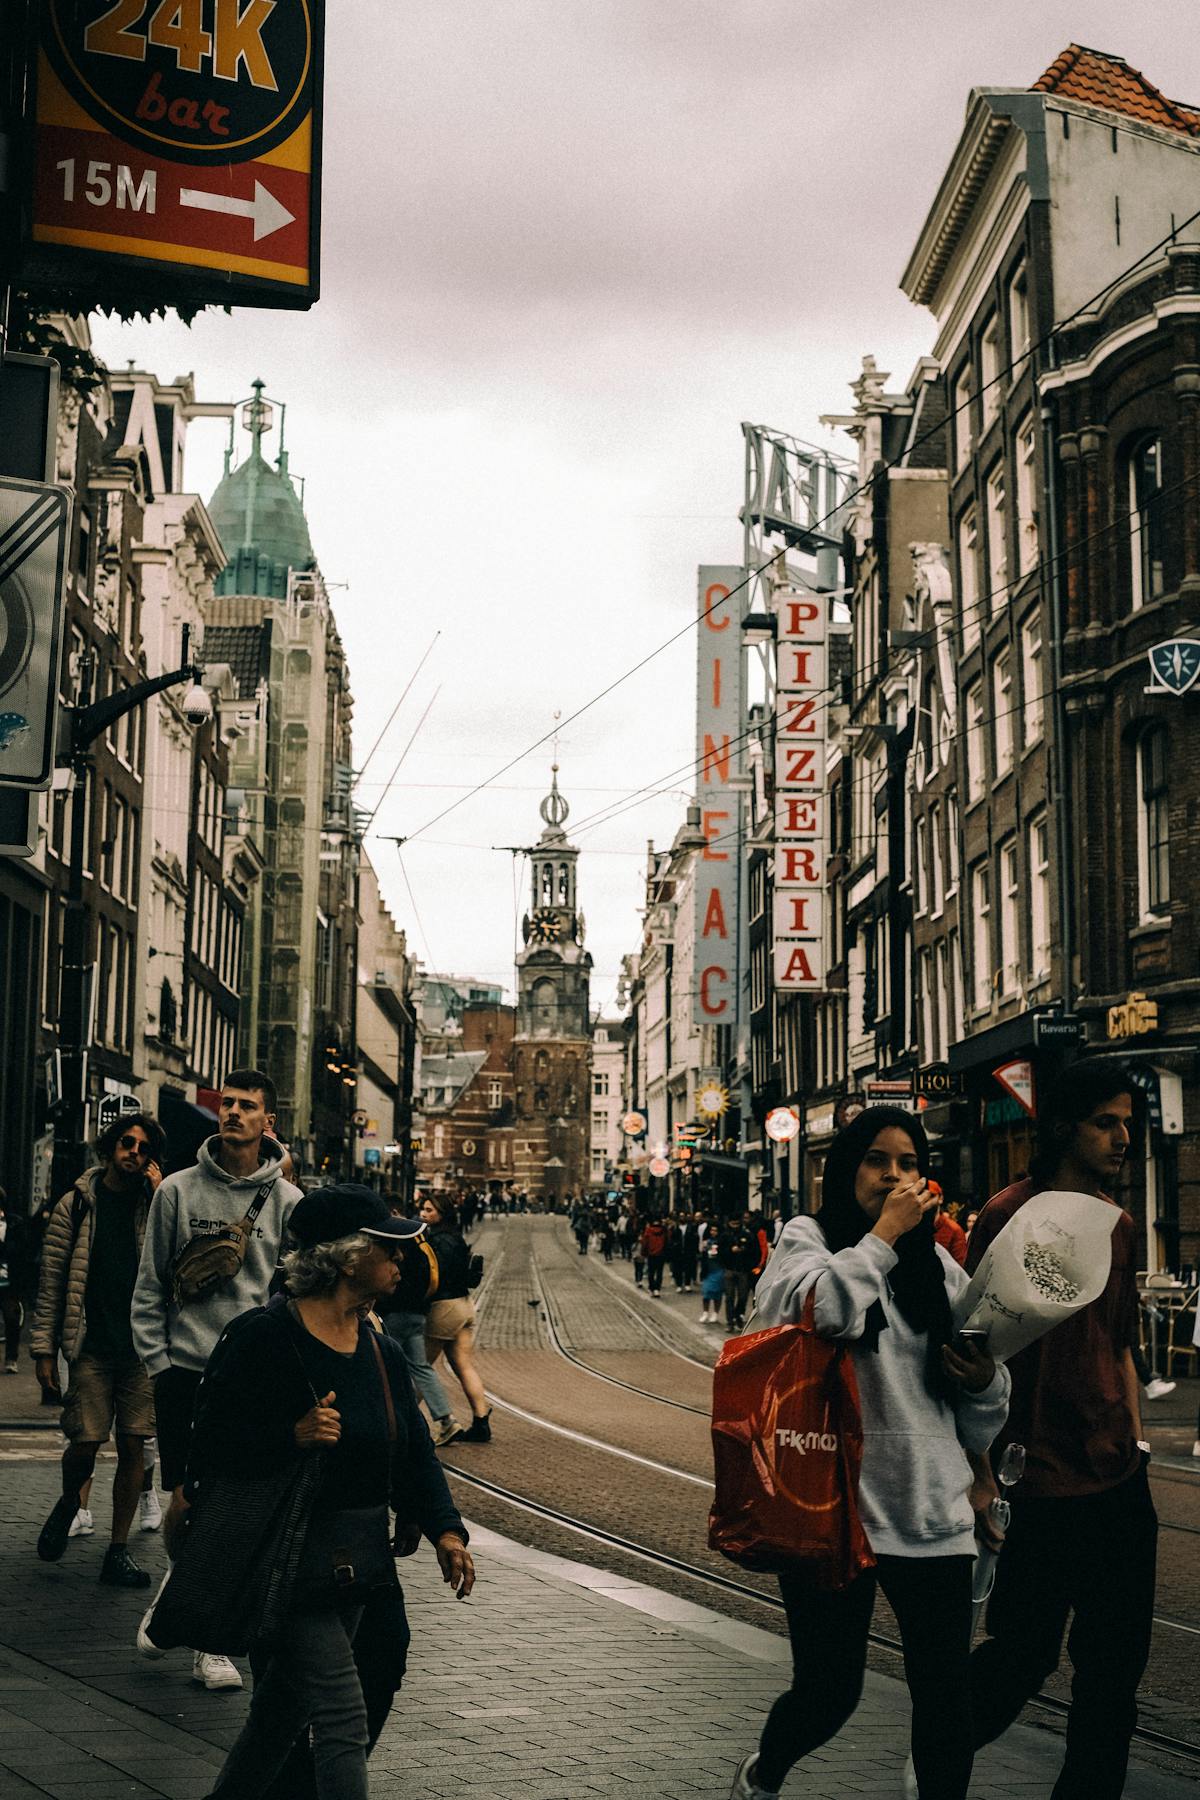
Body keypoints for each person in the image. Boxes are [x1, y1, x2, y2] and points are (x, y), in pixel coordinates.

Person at [728, 1108, 1009, 1800]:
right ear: (845, 1169)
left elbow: (977, 1410)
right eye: (878, 1161)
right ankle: (766, 1772)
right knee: (829, 1693)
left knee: (945, 1698)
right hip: (831, 1511)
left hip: (929, 1511)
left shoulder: (939, 1264)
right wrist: (881, 1237)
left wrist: (985, 1381)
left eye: (908, 1163)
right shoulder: (809, 1239)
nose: (894, 1176)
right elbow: (818, 1311)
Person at [186, 1186, 474, 1800]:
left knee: (279, 1716)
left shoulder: (383, 1351)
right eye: (389, 1248)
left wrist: (446, 1527)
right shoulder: (261, 1338)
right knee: (342, 1714)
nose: (404, 1261)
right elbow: (209, 1447)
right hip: (290, 1557)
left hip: (359, 1558)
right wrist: (289, 1435)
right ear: (347, 1257)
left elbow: (414, 1452)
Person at [966, 1061, 1158, 1800]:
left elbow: (1120, 1345)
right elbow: (968, 1348)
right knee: (1022, 1657)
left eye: (1127, 1125)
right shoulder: (1006, 1214)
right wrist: (981, 1473)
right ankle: (940, 1744)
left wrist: (1136, 1443)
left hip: (1115, 1482)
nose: (1122, 1138)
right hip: (1038, 1480)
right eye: (1106, 1123)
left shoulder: (1120, 1224)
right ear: (1062, 1128)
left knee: (1113, 1682)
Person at [131, 1068, 301, 1690]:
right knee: (185, 1502)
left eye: (246, 1106)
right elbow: (149, 1287)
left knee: (229, 1505)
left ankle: (206, 1635)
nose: (232, 1113)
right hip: (187, 1371)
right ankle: (189, 1600)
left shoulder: (289, 1205)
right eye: (226, 1103)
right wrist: (160, 1364)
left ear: (267, 1121)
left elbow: (291, 1296)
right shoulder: (175, 1191)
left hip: (250, 1384)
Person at [31, 1113, 166, 1585]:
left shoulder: (158, 1205)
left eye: (143, 1147)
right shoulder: (77, 1204)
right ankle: (71, 1500)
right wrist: (43, 1349)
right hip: (89, 1346)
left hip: (141, 1350)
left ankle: (118, 1549)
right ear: (110, 1147)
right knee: (85, 1443)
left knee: (134, 1446)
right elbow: (51, 1281)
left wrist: (162, 1191)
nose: (133, 1152)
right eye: (126, 1143)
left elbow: (176, 1263)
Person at [379, 1209, 462, 1446]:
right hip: (419, 1313)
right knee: (421, 1368)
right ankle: (447, 1420)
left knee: (382, 1365)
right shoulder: (421, 1240)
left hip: (396, 1314)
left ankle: (391, 1424)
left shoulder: (398, 1244)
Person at [418, 1193, 491, 1442]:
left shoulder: (437, 1241)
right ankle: (481, 1421)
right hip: (464, 1305)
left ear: (442, 1213)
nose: (423, 1214)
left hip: (445, 1307)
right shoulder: (456, 1237)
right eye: (423, 1209)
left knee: (420, 1367)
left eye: (429, 1210)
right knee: (463, 1364)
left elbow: (434, 1276)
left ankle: (402, 1418)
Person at [718, 1214, 756, 1331]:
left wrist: (744, 1251)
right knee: (729, 1297)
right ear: (729, 1224)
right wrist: (730, 1250)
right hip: (729, 1269)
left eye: (737, 1224)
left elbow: (753, 1251)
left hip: (743, 1270)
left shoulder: (746, 1235)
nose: (735, 1226)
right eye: (733, 1224)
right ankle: (730, 1322)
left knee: (743, 1296)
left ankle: (738, 1315)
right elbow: (720, 1252)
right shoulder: (724, 1236)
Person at [0, 1185, 24, 1372]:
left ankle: (11, 1358)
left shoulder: (14, 1223)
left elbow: (22, 1252)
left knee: (11, 1318)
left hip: (9, 1281)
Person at [930, 1182, 968, 1267]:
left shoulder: (954, 1230)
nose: (927, 1201)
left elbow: (960, 1268)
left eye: (931, 1196)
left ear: (941, 1198)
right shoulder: (910, 1227)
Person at [698, 1224, 724, 1324]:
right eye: (712, 1230)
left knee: (717, 1293)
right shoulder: (707, 1242)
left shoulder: (721, 1242)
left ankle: (715, 1313)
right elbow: (702, 1256)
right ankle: (705, 1312)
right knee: (706, 1292)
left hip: (718, 1270)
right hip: (708, 1270)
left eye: (715, 1230)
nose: (713, 1232)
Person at [640, 1214, 668, 1295]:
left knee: (651, 1272)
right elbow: (667, 1241)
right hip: (661, 1253)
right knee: (659, 1272)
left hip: (651, 1254)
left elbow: (645, 1242)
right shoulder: (664, 1230)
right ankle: (657, 1289)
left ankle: (652, 1287)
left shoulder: (648, 1230)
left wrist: (643, 1252)